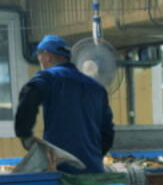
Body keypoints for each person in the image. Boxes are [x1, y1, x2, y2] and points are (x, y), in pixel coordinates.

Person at [14, 35, 115, 174]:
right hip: (93, 172)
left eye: (39, 56)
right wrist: (92, 157)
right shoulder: (97, 88)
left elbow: (29, 93)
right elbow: (108, 133)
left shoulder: (49, 78)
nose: (40, 60)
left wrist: (24, 133)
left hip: (61, 173)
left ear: (47, 56)